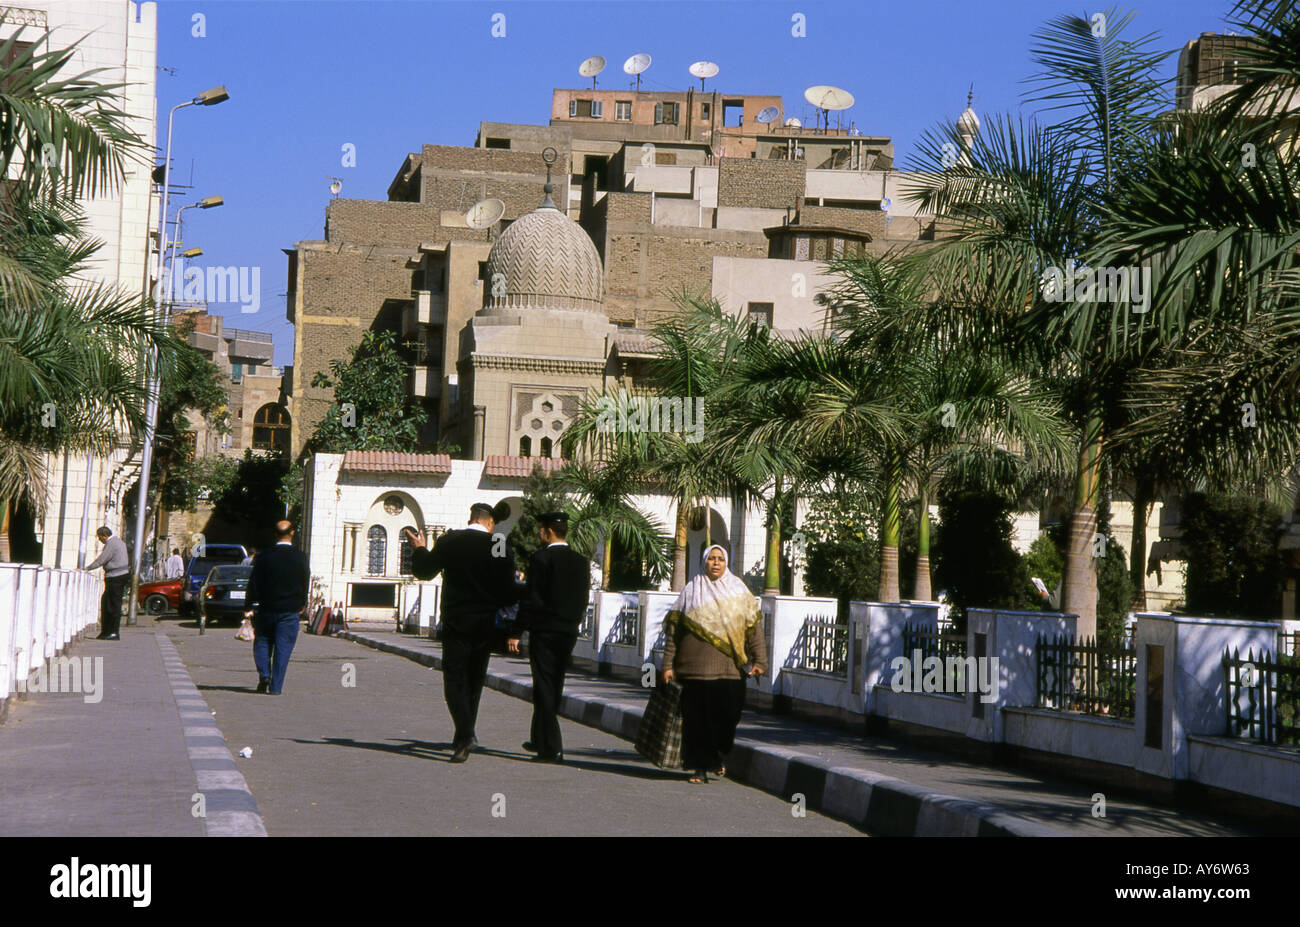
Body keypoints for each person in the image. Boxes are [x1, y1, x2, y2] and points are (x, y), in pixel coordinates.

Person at [405, 503, 518, 763]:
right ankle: (465, 734)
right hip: (486, 622)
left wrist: (419, 548)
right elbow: (508, 588)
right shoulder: (498, 544)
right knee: (474, 679)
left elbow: (424, 571)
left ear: (472, 518)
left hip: (457, 621)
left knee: (454, 679)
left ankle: (464, 735)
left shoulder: (451, 540)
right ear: (489, 522)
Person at [661, 544, 766, 784]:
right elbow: (673, 633)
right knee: (696, 722)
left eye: (720, 559)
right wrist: (667, 665)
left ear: (726, 562)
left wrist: (760, 660)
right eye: (711, 559)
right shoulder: (690, 591)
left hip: (730, 670)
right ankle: (699, 767)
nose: (716, 563)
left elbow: (753, 630)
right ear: (704, 562)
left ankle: (717, 756)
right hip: (693, 670)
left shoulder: (739, 591)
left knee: (727, 718)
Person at [506, 512, 592, 762]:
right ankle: (539, 738)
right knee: (553, 684)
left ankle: (552, 747)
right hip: (568, 631)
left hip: (544, 631)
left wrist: (515, 631)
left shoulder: (541, 558)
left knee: (543, 686)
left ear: (548, 531)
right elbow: (583, 597)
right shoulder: (580, 560)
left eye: (540, 529)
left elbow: (531, 599)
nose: (538, 533)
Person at [242, 520, 311, 695]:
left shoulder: (264, 556)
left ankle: (264, 674)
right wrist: (303, 603)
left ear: (275, 534)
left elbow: (254, 582)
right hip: (290, 610)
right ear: (293, 533)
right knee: (283, 648)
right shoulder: (300, 557)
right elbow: (304, 582)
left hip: (266, 608)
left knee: (263, 641)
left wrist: (248, 604)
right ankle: (276, 686)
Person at [85, 527, 130, 640]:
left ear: (104, 535)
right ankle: (107, 631)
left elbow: (102, 559)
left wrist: (87, 568)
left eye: (99, 537)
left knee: (112, 605)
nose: (99, 540)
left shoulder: (112, 544)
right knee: (108, 602)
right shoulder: (119, 542)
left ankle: (113, 632)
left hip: (115, 576)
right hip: (120, 575)